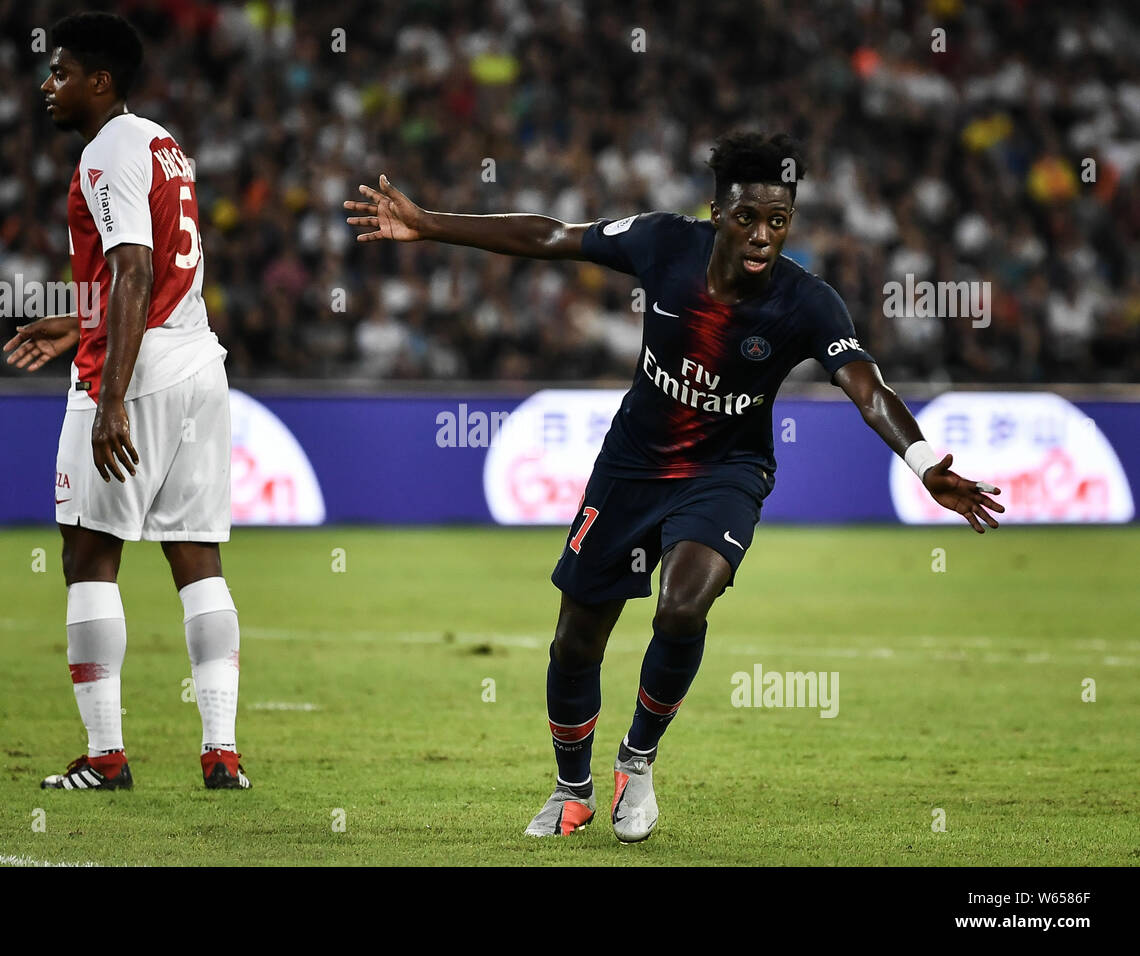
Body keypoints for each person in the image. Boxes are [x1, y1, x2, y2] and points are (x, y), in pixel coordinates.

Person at [345, 131, 1003, 840]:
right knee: (575, 642)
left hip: (726, 473)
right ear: (717, 211)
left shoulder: (807, 303)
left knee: (684, 605)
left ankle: (639, 759)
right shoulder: (663, 244)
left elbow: (866, 387)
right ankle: (572, 790)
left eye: (778, 221)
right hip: (631, 466)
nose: (762, 235)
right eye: (748, 216)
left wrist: (925, 461)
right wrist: (429, 223)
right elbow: (552, 235)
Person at [4, 11, 248, 791]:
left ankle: (106, 756)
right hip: (199, 365)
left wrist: (109, 396)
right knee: (198, 560)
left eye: (63, 72)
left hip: (132, 373)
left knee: (86, 555)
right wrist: (73, 316)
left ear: (100, 81)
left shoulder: (105, 152)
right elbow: (153, 281)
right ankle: (221, 752)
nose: (51, 85)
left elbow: (136, 269)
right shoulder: (163, 142)